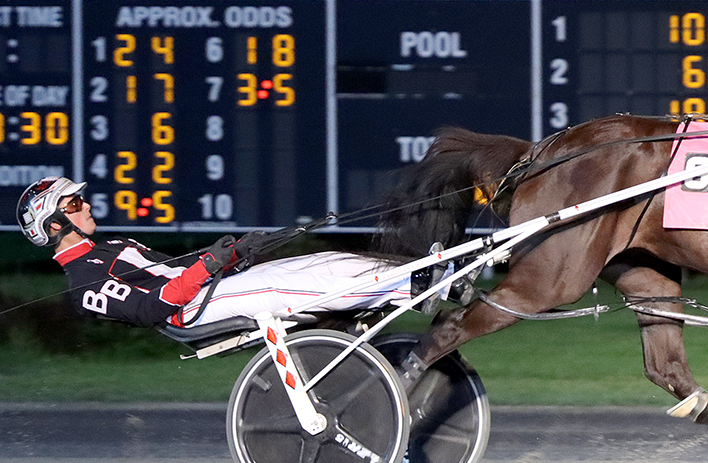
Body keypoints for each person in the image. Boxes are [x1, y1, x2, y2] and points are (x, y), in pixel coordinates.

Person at [16, 177, 413, 328]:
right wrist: (209, 264)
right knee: (291, 285)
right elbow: (150, 308)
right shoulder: (84, 281)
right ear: (54, 226)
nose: (84, 206)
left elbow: (176, 269)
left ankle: (414, 272)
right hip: (189, 311)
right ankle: (410, 288)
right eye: (72, 205)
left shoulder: (111, 247)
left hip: (209, 290)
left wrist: (231, 253)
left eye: (80, 200)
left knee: (321, 262)